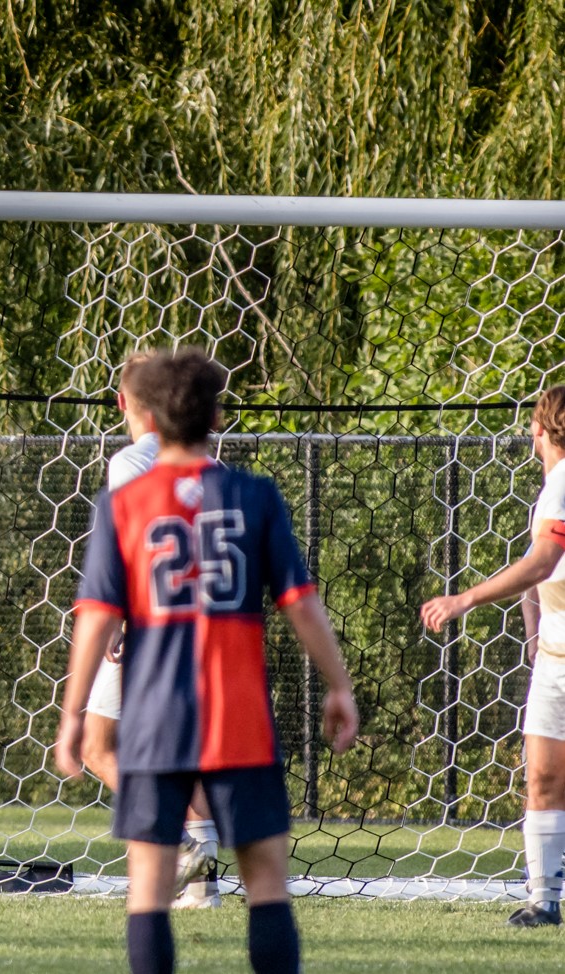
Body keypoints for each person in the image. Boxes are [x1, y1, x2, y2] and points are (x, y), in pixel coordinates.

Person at [54, 349, 358, 974]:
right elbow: (302, 604)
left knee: (147, 890)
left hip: (153, 718)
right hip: (238, 715)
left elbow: (96, 615)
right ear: (217, 415)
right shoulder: (255, 495)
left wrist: (72, 713)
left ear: (149, 416)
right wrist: (338, 686)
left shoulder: (125, 503)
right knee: (267, 884)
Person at [81, 354, 222, 909]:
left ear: (124, 403)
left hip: (147, 625)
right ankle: (203, 880)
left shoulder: (129, 462)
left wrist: (119, 619)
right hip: (207, 625)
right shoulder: (211, 466)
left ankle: (187, 840)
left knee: (97, 745)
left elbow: (131, 547)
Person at [422, 385, 565, 927]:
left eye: (533, 421)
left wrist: (465, 598)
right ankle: (544, 903)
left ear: (543, 429)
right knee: (543, 777)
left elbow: (542, 562)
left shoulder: (563, 483)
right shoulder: (554, 486)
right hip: (555, 656)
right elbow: (540, 573)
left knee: (546, 778)